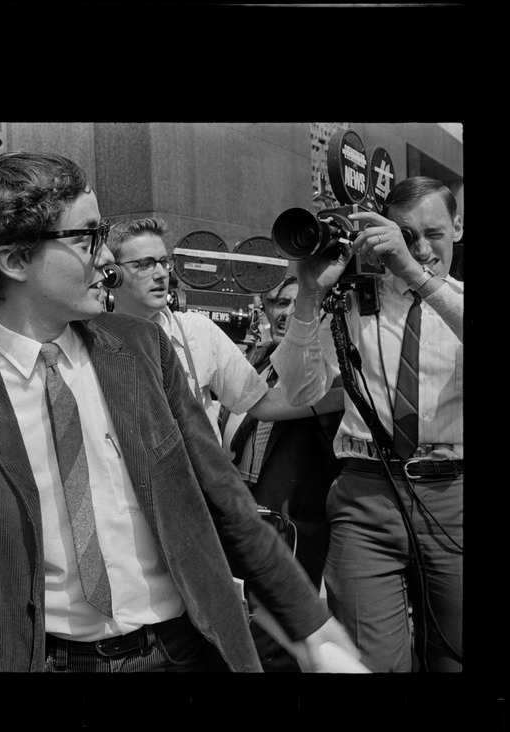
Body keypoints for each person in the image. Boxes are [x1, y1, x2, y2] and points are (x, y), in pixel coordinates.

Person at [0, 151, 362, 673]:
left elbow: (227, 505)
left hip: (184, 647)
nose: (106, 259)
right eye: (86, 237)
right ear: (14, 259)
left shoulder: (141, 349)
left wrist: (316, 629)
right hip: (44, 658)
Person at [270, 176, 463, 673]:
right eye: (404, 234)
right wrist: (310, 294)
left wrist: (416, 275)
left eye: (433, 234)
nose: (420, 248)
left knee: (454, 656)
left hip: (454, 497)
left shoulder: (456, 301)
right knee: (372, 663)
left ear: (458, 228)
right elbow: (301, 391)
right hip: (365, 496)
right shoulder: (354, 302)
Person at [105, 217, 342, 442]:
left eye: (164, 262)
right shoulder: (93, 342)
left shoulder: (196, 331)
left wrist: (353, 398)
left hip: (196, 483)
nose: (160, 274)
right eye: (144, 264)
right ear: (111, 274)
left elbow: (263, 403)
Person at [220, 275, 344, 672]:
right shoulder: (251, 365)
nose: (285, 313)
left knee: (278, 648)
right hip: (241, 526)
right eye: (277, 303)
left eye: (296, 303)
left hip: (294, 534)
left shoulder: (331, 377)